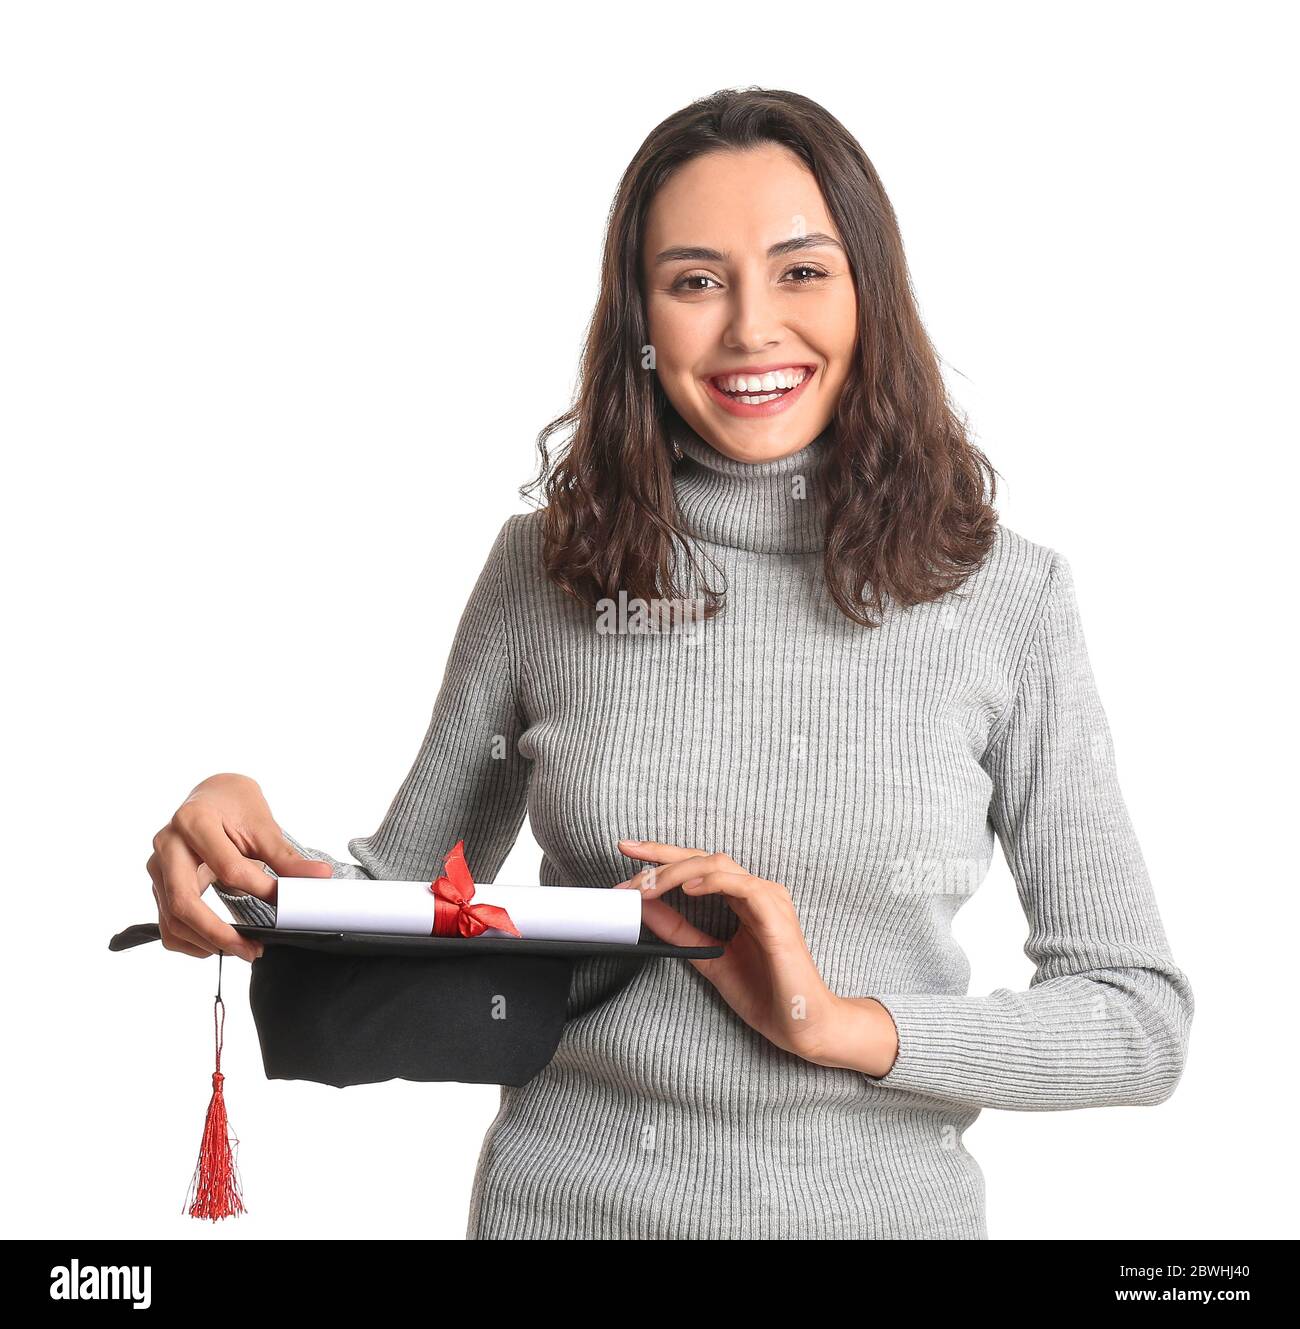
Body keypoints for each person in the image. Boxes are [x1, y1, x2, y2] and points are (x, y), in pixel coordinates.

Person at [146, 87, 1194, 1239]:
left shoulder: (1007, 599)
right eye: (696, 281)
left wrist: (835, 1021)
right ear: (640, 315)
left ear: (869, 296)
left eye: (801, 271)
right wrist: (257, 868)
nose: (751, 328)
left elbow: (1133, 1021)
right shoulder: (544, 570)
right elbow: (400, 915)